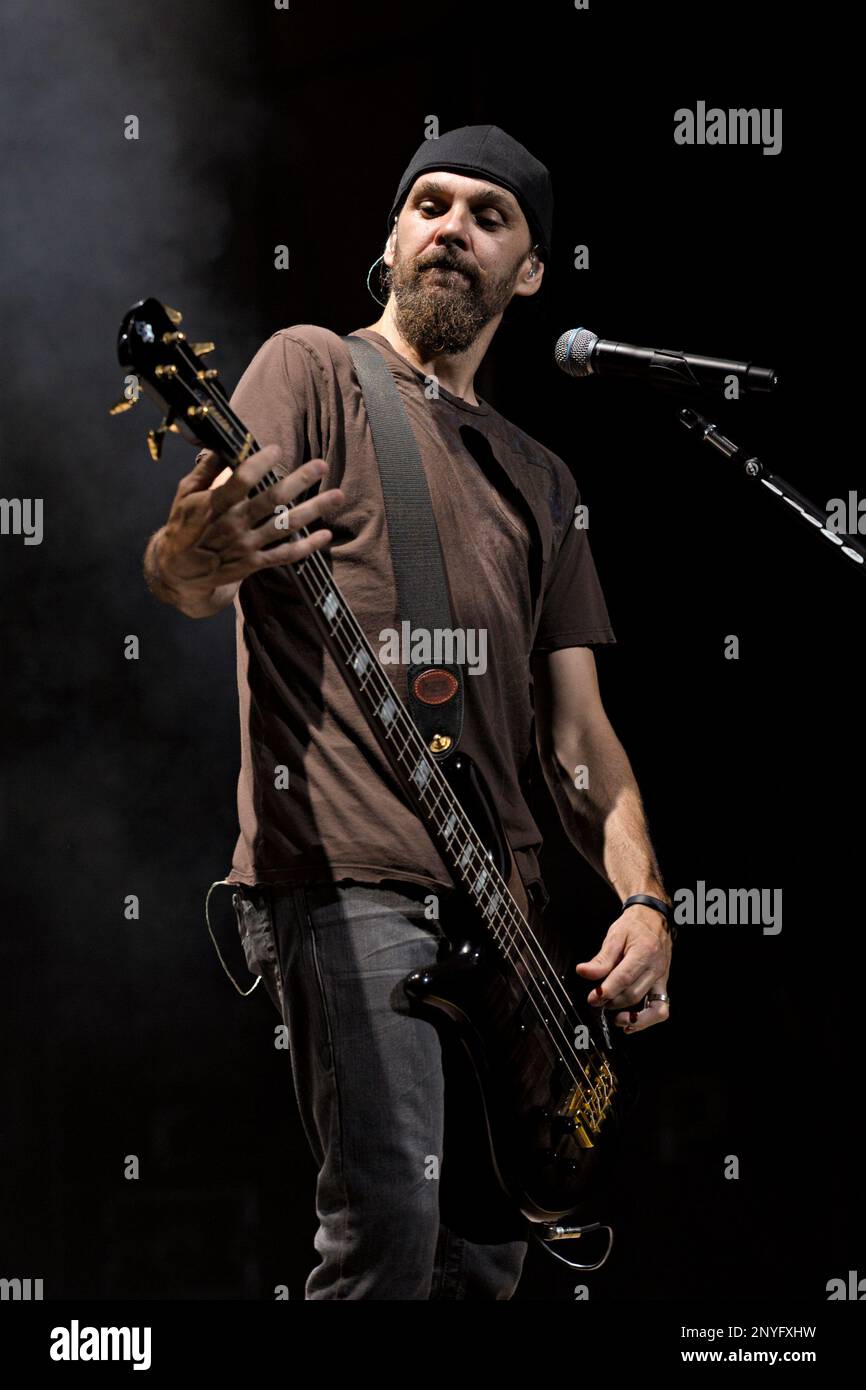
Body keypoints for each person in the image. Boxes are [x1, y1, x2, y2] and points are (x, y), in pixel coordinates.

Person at [142, 125, 673, 1300]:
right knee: (386, 1230)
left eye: (489, 216)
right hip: (351, 869)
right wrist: (185, 552)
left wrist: (641, 896)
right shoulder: (313, 369)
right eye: (428, 204)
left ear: (528, 272)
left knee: (483, 1259)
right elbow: (196, 577)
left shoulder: (541, 478)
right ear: (390, 240)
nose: (451, 228)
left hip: (514, 916)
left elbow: (579, 738)